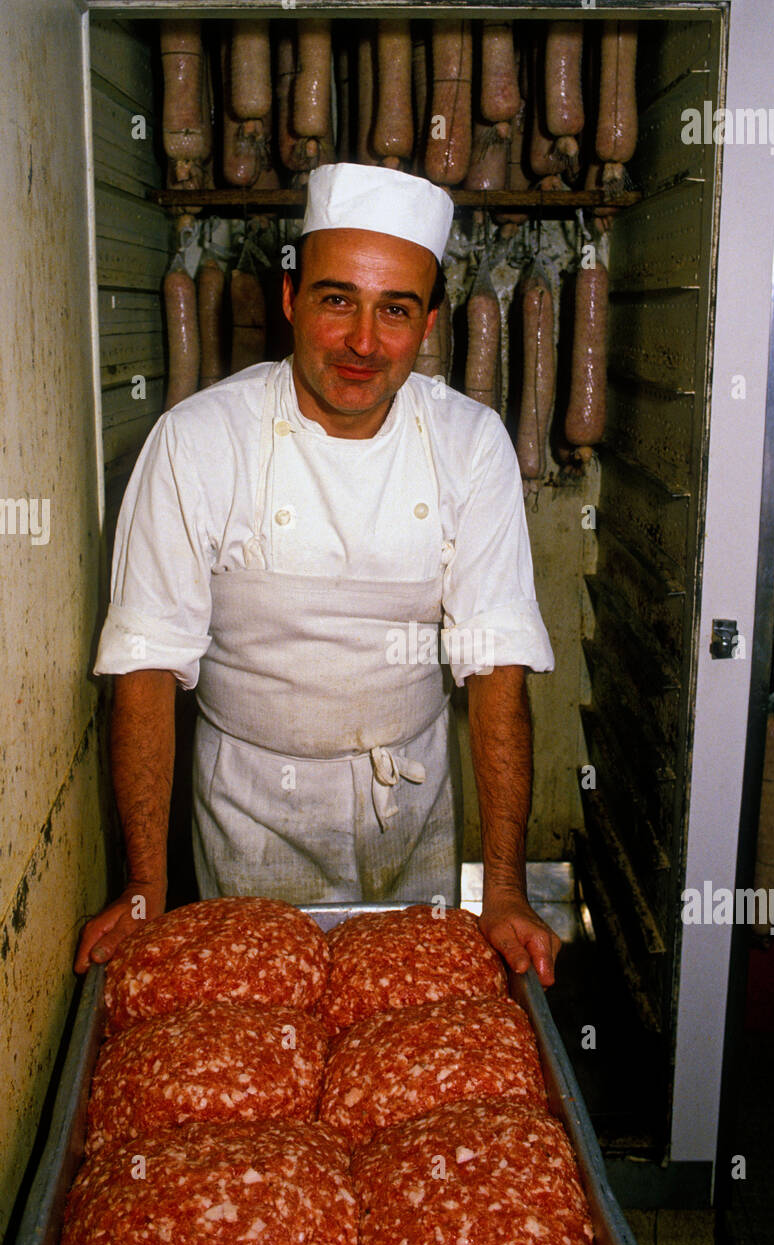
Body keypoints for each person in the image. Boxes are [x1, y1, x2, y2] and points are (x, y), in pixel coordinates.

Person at [76, 162, 559, 984]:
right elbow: (146, 667)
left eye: (395, 311)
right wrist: (147, 888)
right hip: (251, 815)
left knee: (407, 1046)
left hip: (411, 810)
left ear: (431, 323)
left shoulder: (471, 445)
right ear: (293, 298)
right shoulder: (198, 441)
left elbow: (497, 668)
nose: (364, 343)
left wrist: (505, 891)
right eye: (338, 300)